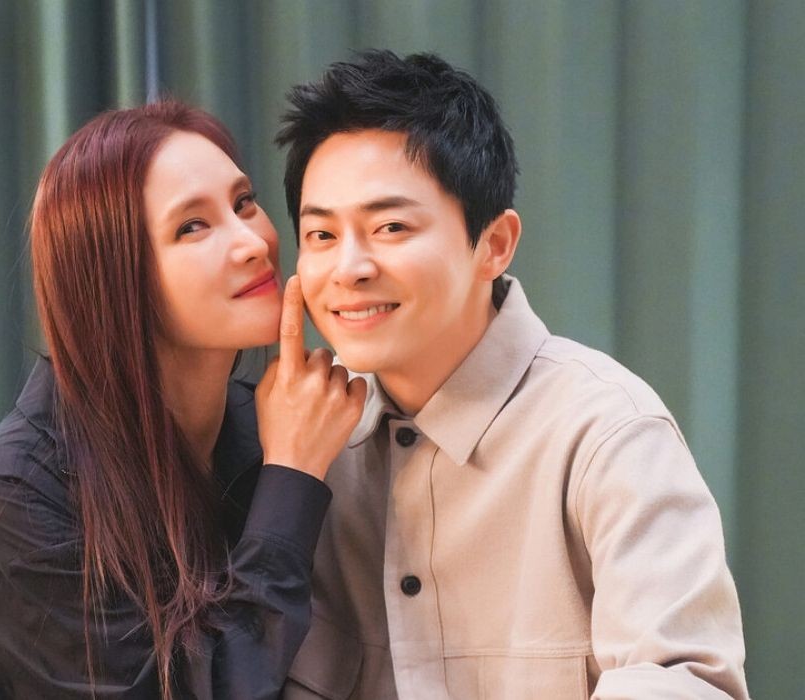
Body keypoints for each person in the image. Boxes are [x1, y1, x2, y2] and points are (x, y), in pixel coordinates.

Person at [277, 50, 749, 698]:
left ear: (494, 245)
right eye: (322, 236)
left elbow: (684, 679)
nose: (349, 268)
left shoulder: (607, 434)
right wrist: (288, 478)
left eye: (390, 226)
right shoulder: (305, 443)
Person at [0, 100, 365, 699]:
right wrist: (292, 474)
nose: (252, 242)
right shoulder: (22, 488)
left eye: (244, 203)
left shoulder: (267, 424)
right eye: (192, 227)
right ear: (115, 278)